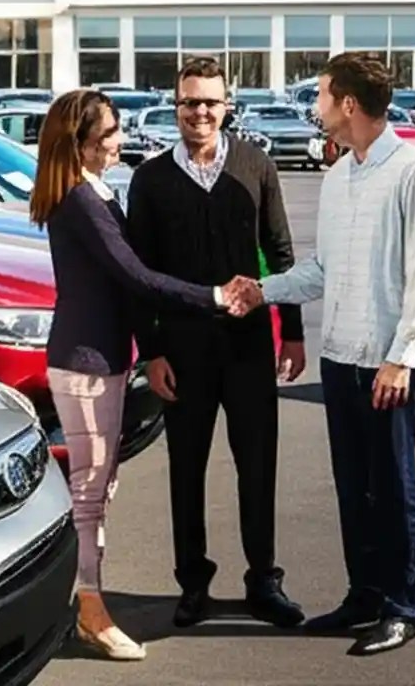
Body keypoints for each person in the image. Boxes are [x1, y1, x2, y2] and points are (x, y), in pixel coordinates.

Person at [228, 52, 415, 656]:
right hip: (341, 357)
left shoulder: (412, 172)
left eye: (321, 95)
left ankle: (403, 607)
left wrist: (402, 357)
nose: (315, 106)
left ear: (348, 103)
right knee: (354, 486)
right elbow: (322, 270)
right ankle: (365, 596)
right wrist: (262, 290)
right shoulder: (338, 177)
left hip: (388, 359)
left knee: (395, 485)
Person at [29, 88, 250, 661]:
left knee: (97, 488)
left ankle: (84, 600)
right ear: (79, 143)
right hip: (84, 364)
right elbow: (137, 277)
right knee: (89, 492)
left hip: (105, 359)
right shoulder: (79, 198)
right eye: (108, 134)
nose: (119, 141)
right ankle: (90, 611)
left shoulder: (95, 192)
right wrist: (214, 296)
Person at [124, 57, 307, 629]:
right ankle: (192, 582)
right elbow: (139, 276)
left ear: (228, 106)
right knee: (187, 471)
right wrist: (151, 352)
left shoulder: (256, 166)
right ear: (174, 106)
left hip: (249, 346)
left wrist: (293, 332)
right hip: (182, 354)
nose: (200, 112)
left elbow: (281, 254)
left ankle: (263, 580)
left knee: (257, 467)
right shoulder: (150, 179)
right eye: (189, 102)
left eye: (210, 102)